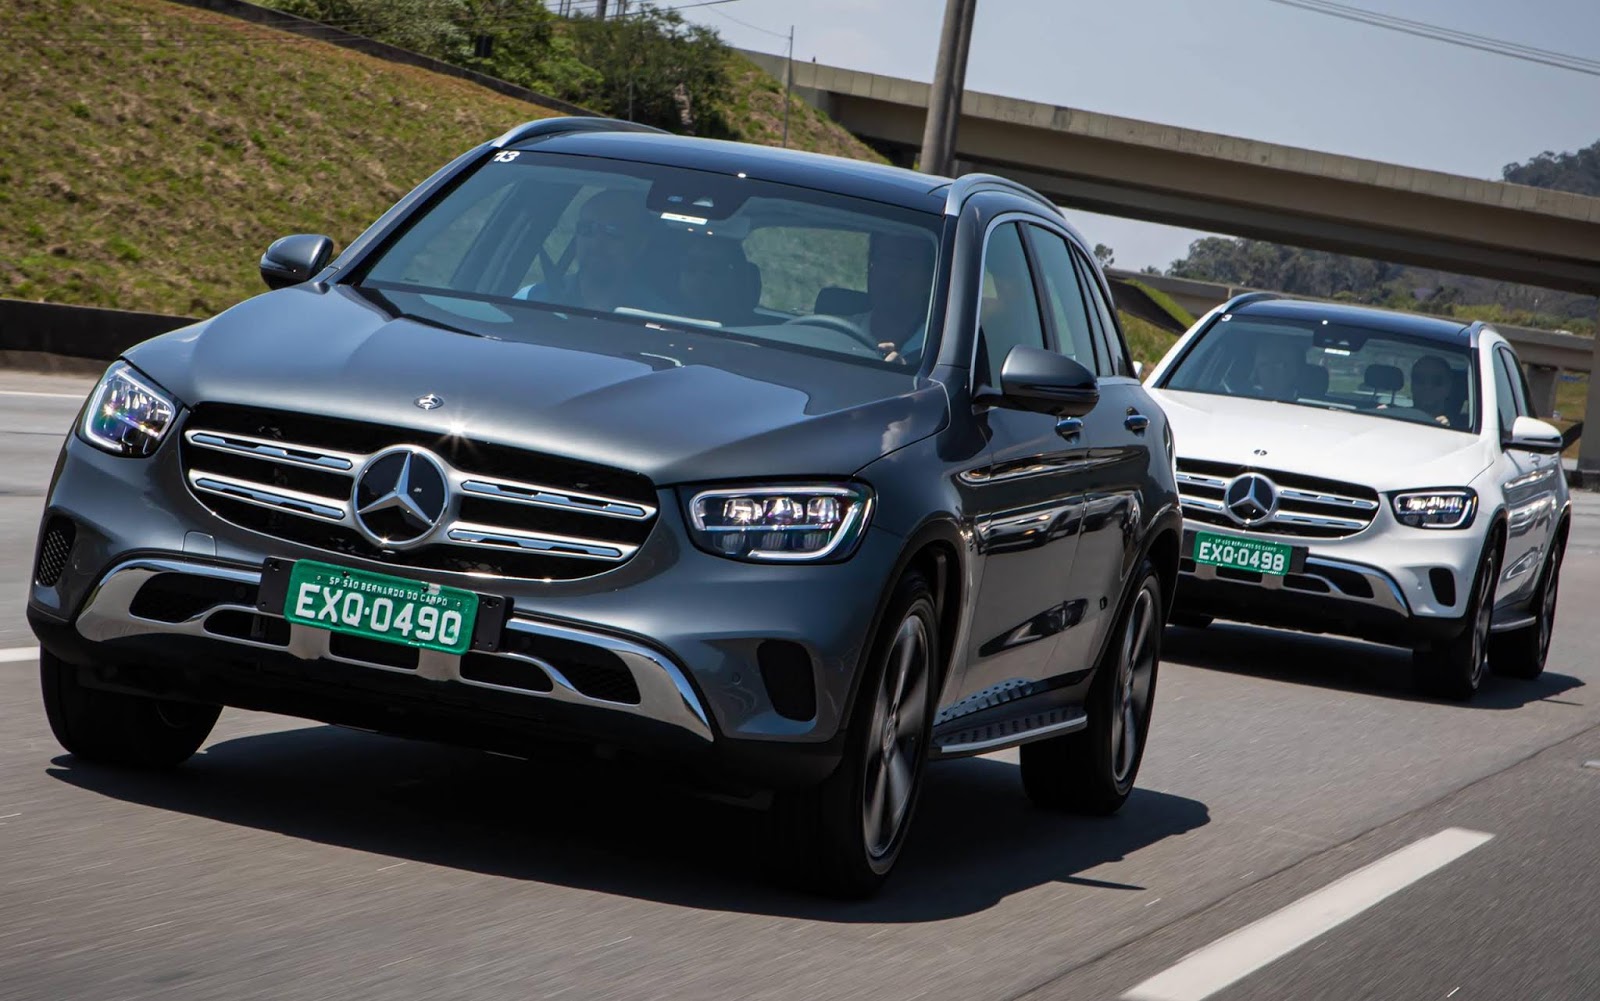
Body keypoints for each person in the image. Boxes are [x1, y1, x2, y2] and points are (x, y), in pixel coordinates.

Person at [516, 189, 663, 313]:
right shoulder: (530, 299)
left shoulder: (659, 318)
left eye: (612, 231)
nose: (596, 242)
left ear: (640, 244)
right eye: (587, 228)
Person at [846, 231, 937, 363]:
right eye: (884, 260)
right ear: (870, 269)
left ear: (929, 278)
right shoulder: (840, 333)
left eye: (905, 263)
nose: (891, 273)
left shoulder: (938, 353)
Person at [1408, 354, 1463, 427]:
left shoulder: (1463, 428)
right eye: (1420, 380)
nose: (1427, 387)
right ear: (1412, 385)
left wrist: (1448, 429)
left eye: (1436, 381)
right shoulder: (1394, 415)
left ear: (1448, 387)